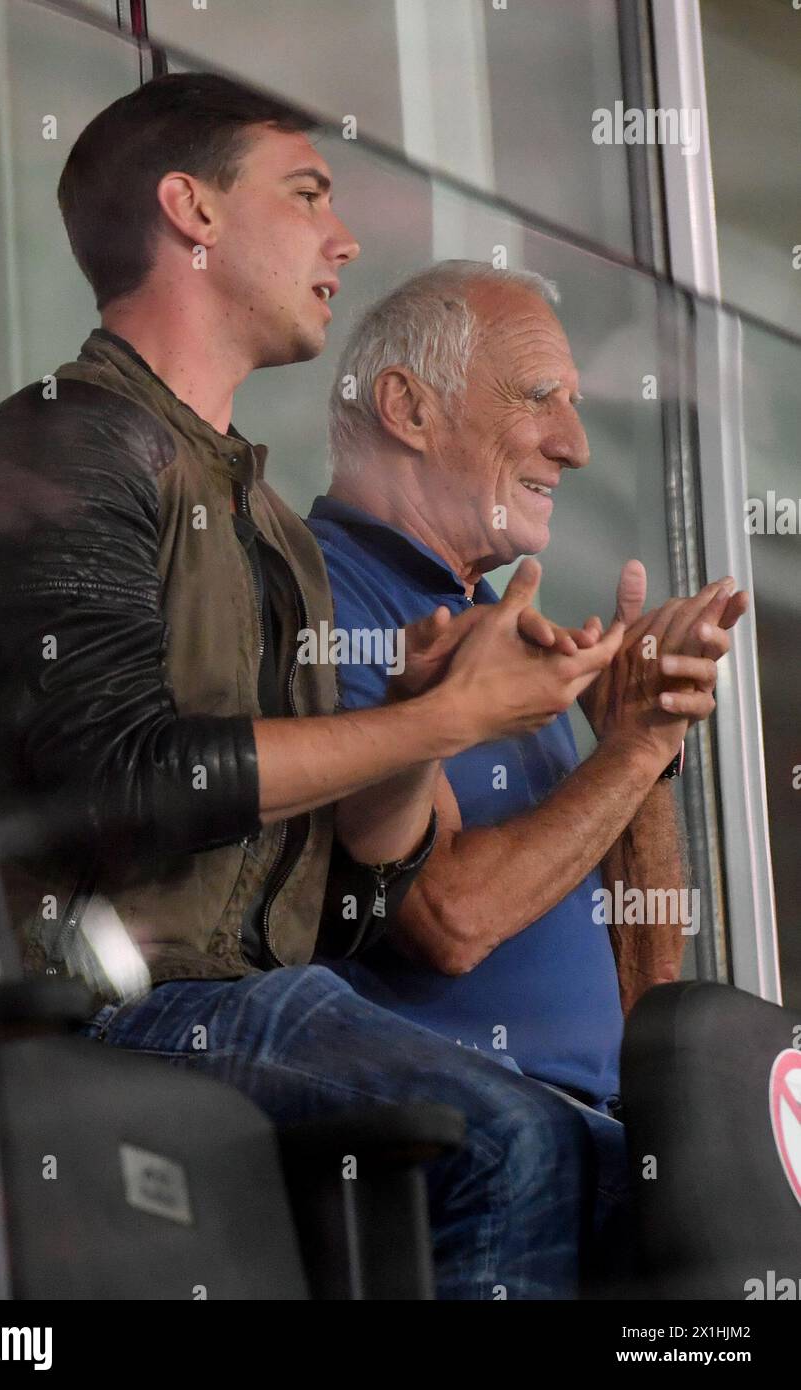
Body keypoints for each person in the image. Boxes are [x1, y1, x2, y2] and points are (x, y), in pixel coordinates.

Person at [0, 76, 633, 1299]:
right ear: (189, 209)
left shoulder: (271, 528)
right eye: (307, 194)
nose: (343, 240)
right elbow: (126, 785)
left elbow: (359, 899)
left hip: (258, 996)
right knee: (514, 1136)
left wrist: (421, 733)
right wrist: (439, 719)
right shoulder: (60, 440)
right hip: (101, 1004)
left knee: (613, 1151)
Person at [305, 259, 747, 1260]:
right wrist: (626, 747)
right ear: (406, 409)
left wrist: (647, 744)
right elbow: (449, 919)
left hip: (603, 1145)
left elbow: (648, 992)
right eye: (540, 397)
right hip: (481, 1160)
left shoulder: (498, 627)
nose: (577, 445)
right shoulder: (333, 599)